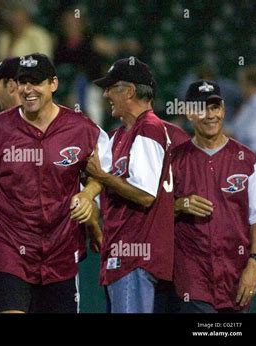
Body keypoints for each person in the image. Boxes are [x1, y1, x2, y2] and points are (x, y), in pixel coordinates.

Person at [0, 53, 109, 313]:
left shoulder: (81, 128)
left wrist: (88, 194)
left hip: (60, 247)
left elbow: (101, 174)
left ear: (53, 84)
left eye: (36, 82)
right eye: (23, 82)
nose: (28, 89)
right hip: (9, 246)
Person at [84, 57, 174, 313]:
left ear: (130, 91)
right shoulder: (122, 134)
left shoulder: (149, 128)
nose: (105, 94)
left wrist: (101, 176)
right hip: (122, 253)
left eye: (111, 87)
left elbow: (145, 196)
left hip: (135, 254)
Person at [172, 80, 256, 313]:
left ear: (222, 109)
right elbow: (154, 212)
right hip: (193, 275)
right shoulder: (173, 160)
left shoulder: (249, 161)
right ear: (189, 114)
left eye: (214, 107)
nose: (209, 115)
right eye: (201, 108)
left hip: (236, 273)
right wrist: (179, 205)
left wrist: (255, 263)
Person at [230, 66, 256, 155]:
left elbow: (253, 134)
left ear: (250, 84)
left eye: (241, 83)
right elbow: (235, 127)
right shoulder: (249, 103)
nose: (240, 87)